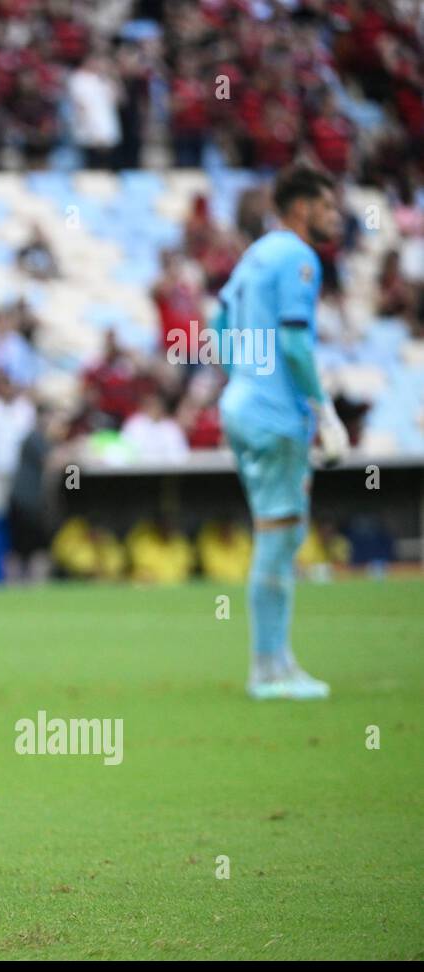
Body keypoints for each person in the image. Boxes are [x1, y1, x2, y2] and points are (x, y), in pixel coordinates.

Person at [215, 164, 349, 701]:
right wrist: (326, 412)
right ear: (301, 208)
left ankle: (278, 660)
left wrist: (244, 379)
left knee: (281, 533)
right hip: (275, 415)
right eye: (327, 206)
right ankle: (268, 669)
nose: (335, 216)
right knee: (278, 538)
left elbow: (218, 326)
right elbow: (294, 345)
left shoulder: (255, 255)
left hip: (241, 405)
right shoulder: (298, 256)